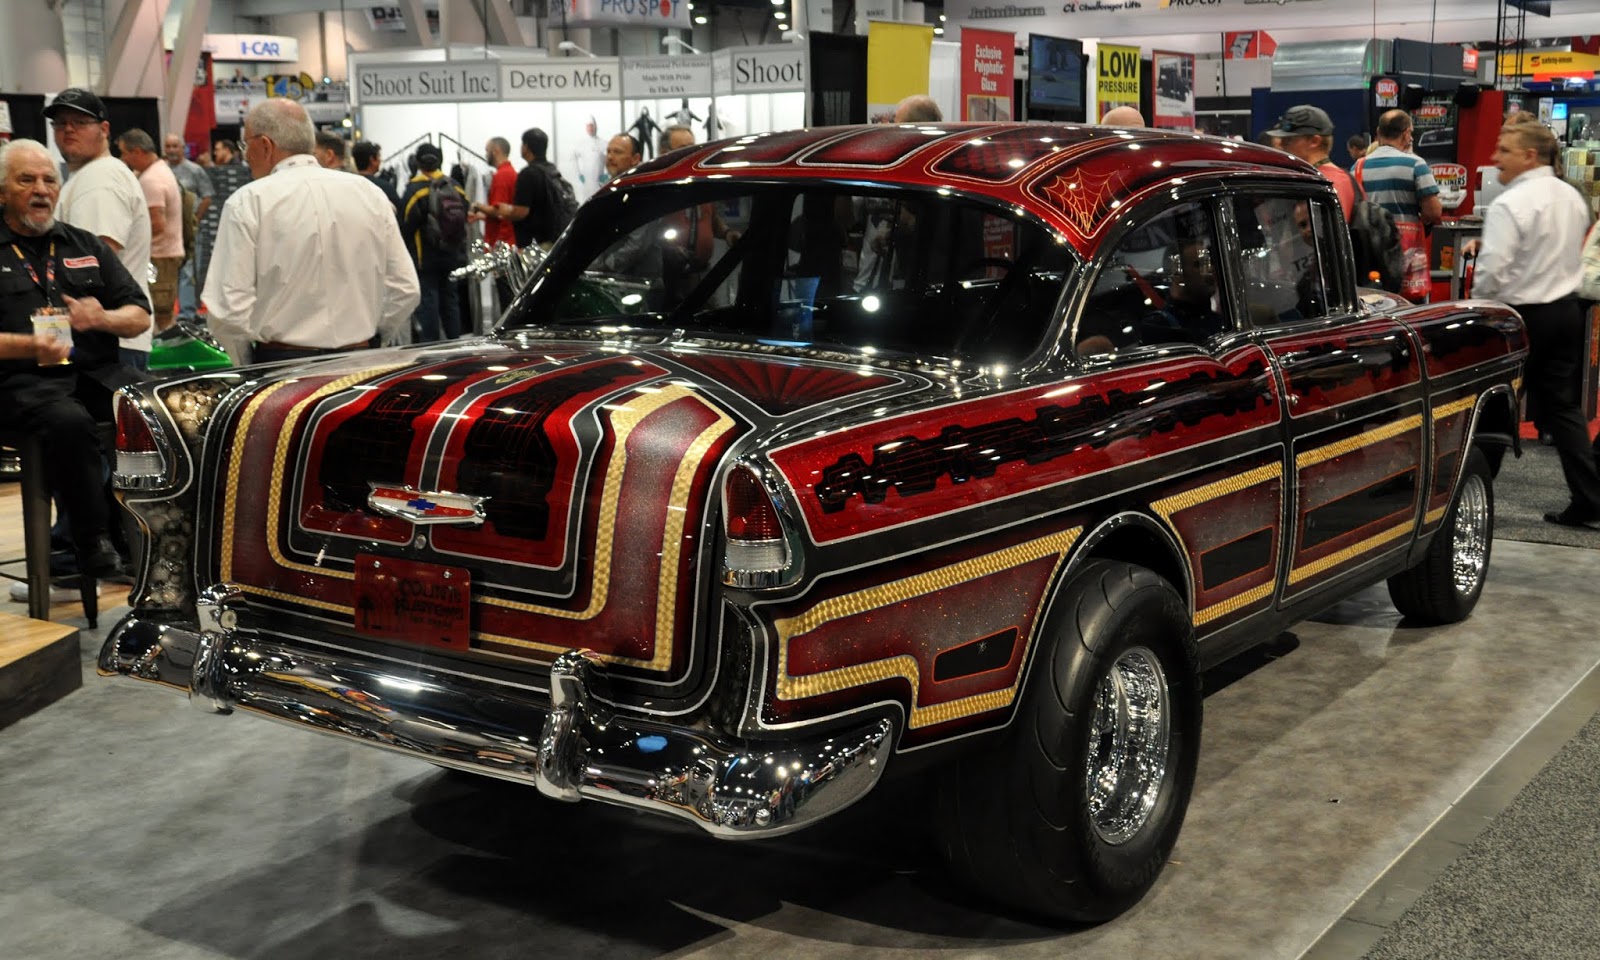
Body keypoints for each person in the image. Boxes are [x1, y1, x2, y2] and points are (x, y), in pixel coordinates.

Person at [0, 139, 152, 577]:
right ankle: (90, 542)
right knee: (68, 421)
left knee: (160, 409)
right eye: (26, 179)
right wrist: (30, 345)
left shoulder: (82, 243)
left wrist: (101, 316)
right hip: (19, 380)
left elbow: (138, 315)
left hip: (93, 371)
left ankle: (156, 538)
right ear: (2, 191)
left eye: (49, 179)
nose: (41, 189)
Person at [203, 99, 419, 365]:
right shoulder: (369, 194)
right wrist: (373, 339)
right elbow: (405, 289)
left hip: (282, 364)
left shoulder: (248, 201)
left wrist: (250, 365)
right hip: (362, 361)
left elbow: (227, 310)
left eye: (246, 145)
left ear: (266, 145)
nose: (245, 155)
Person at [1464, 118, 1598, 527]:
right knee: (1561, 407)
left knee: (1492, 403)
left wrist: (1476, 309)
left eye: (1503, 150)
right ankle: (1590, 496)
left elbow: (1492, 272)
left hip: (1520, 315)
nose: (1495, 158)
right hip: (1566, 311)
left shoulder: (1512, 203)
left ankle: (1471, 500)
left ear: (1530, 155)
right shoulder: (1571, 197)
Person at [48, 87, 153, 371]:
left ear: (104, 129)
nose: (68, 130)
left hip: (107, 344)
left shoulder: (100, 178)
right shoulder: (90, 175)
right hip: (106, 339)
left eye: (80, 122)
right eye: (60, 123)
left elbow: (88, 267)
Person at [400, 143, 470, 342]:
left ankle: (430, 347)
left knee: (428, 303)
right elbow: (465, 213)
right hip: (451, 255)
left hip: (425, 259)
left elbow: (406, 226)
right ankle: (455, 342)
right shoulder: (455, 185)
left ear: (418, 162)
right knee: (450, 301)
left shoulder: (414, 190)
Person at [117, 129, 184, 334]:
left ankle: (167, 361)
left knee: (161, 316)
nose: (122, 158)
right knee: (161, 314)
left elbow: (156, 224)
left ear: (137, 152)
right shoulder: (156, 171)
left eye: (124, 153)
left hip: (160, 257)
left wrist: (128, 243)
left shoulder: (151, 180)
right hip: (163, 255)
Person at [1265, 105, 1354, 221]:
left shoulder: (1331, 182)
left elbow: (1325, 237)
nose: (1281, 145)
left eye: (1289, 139)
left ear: (1314, 141)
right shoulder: (1316, 179)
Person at [1359, 111, 1443, 228]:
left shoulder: (1358, 167)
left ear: (1378, 132)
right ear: (1406, 134)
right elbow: (1433, 212)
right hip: (1405, 243)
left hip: (1368, 243)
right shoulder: (1415, 164)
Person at [591, 134, 659, 280]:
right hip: (609, 279)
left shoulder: (644, 192)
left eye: (618, 152)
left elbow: (637, 244)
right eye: (608, 151)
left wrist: (604, 267)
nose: (610, 157)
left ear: (635, 158)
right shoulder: (607, 191)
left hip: (639, 283)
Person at [164, 133, 213, 322]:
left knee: (188, 270)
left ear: (182, 148)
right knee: (167, 270)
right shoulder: (162, 170)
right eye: (168, 146)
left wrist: (195, 220)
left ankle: (187, 313)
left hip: (189, 230)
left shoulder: (195, 171)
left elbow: (207, 197)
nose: (171, 150)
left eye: (175, 146)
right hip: (166, 231)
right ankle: (167, 312)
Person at [492, 128, 560, 250]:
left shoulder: (528, 173)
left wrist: (505, 211)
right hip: (553, 240)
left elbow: (521, 212)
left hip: (534, 246)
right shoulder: (552, 170)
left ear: (526, 147)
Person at [470, 136, 517, 248]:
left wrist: (477, 206)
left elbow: (498, 211)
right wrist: (481, 217)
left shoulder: (502, 176)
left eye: (487, 150)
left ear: (495, 151)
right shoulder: (510, 173)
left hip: (501, 243)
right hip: (507, 240)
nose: (486, 155)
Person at [351, 140, 400, 212]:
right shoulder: (384, 187)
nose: (380, 160)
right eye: (378, 157)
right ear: (372, 160)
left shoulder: (350, 186)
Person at [568, 116, 606, 202]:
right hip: (586, 183)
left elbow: (610, 160)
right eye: (588, 126)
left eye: (592, 126)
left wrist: (606, 174)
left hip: (599, 181)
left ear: (596, 127)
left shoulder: (603, 143)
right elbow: (572, 158)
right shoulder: (581, 144)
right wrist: (578, 174)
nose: (590, 128)